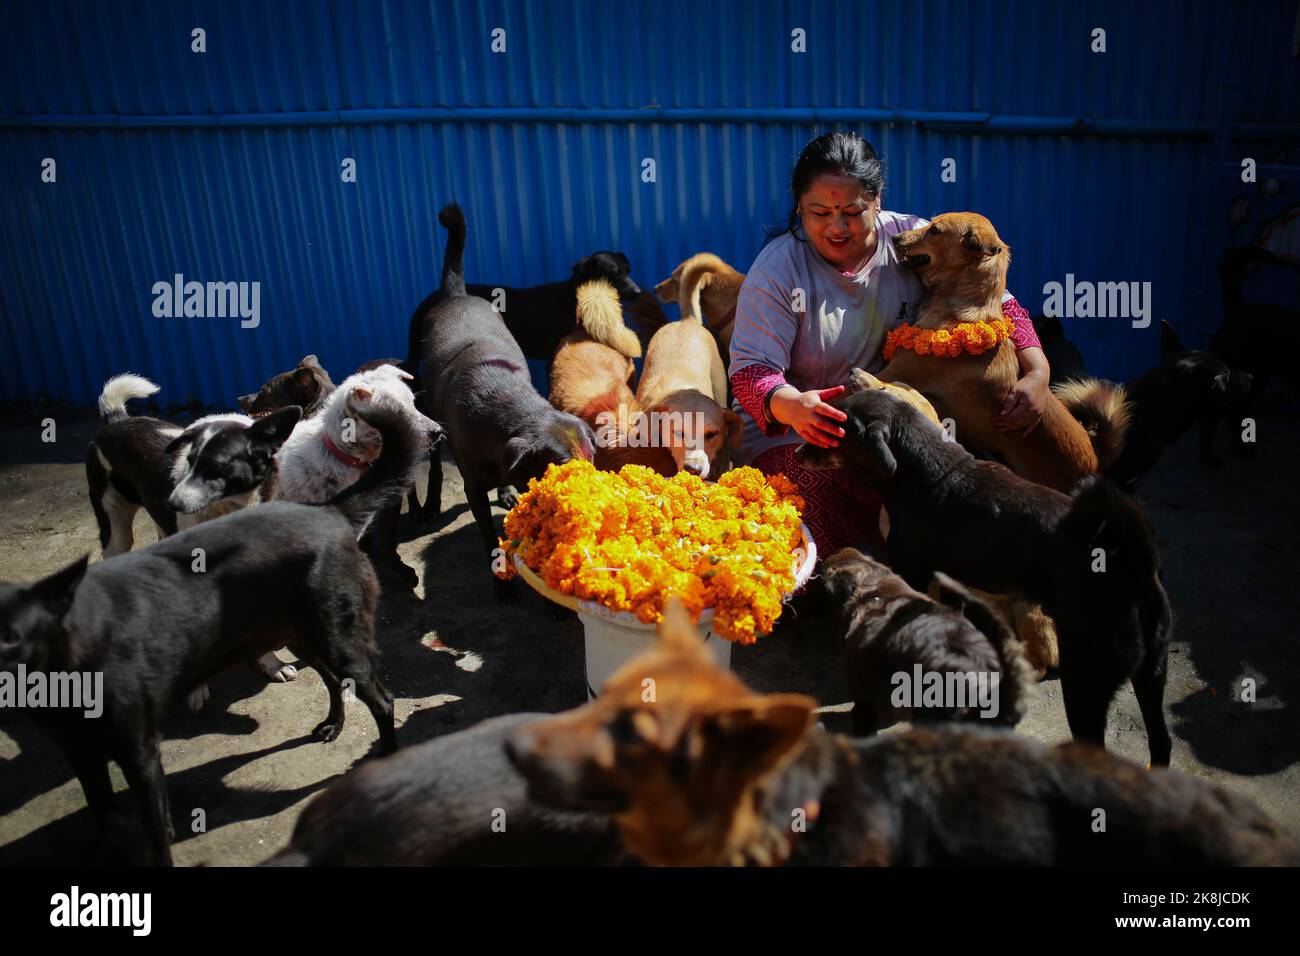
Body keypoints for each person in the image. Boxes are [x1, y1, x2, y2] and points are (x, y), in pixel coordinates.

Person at [728, 131, 1050, 560]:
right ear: (799, 207)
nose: (836, 227)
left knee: (967, 494)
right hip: (801, 430)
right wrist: (792, 406)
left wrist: (1038, 374)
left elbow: (995, 299)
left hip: (897, 423)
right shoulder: (777, 270)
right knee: (809, 517)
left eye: (852, 212)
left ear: (877, 201)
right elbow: (750, 372)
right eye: (819, 212)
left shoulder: (914, 240)